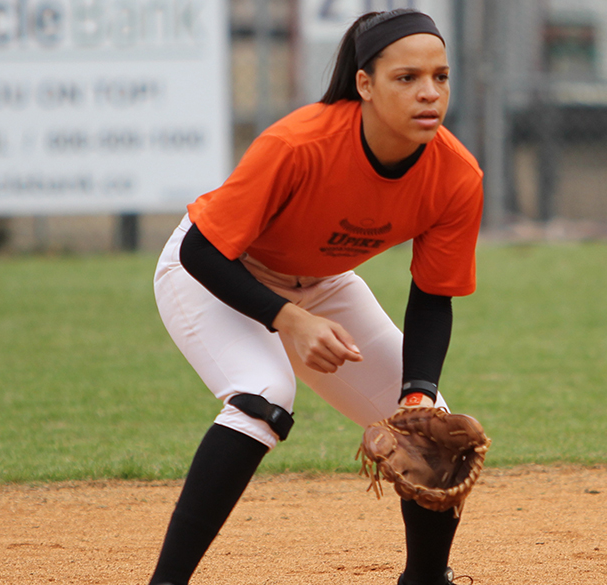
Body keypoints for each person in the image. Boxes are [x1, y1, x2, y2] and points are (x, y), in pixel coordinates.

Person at [149, 8, 483, 585]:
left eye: (441, 76)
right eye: (407, 78)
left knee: (431, 432)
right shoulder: (300, 143)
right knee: (265, 395)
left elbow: (432, 295)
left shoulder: (456, 175)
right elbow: (200, 251)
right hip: (217, 270)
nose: (429, 93)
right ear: (365, 84)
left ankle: (426, 580)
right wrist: (286, 319)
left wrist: (418, 393)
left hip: (321, 283)